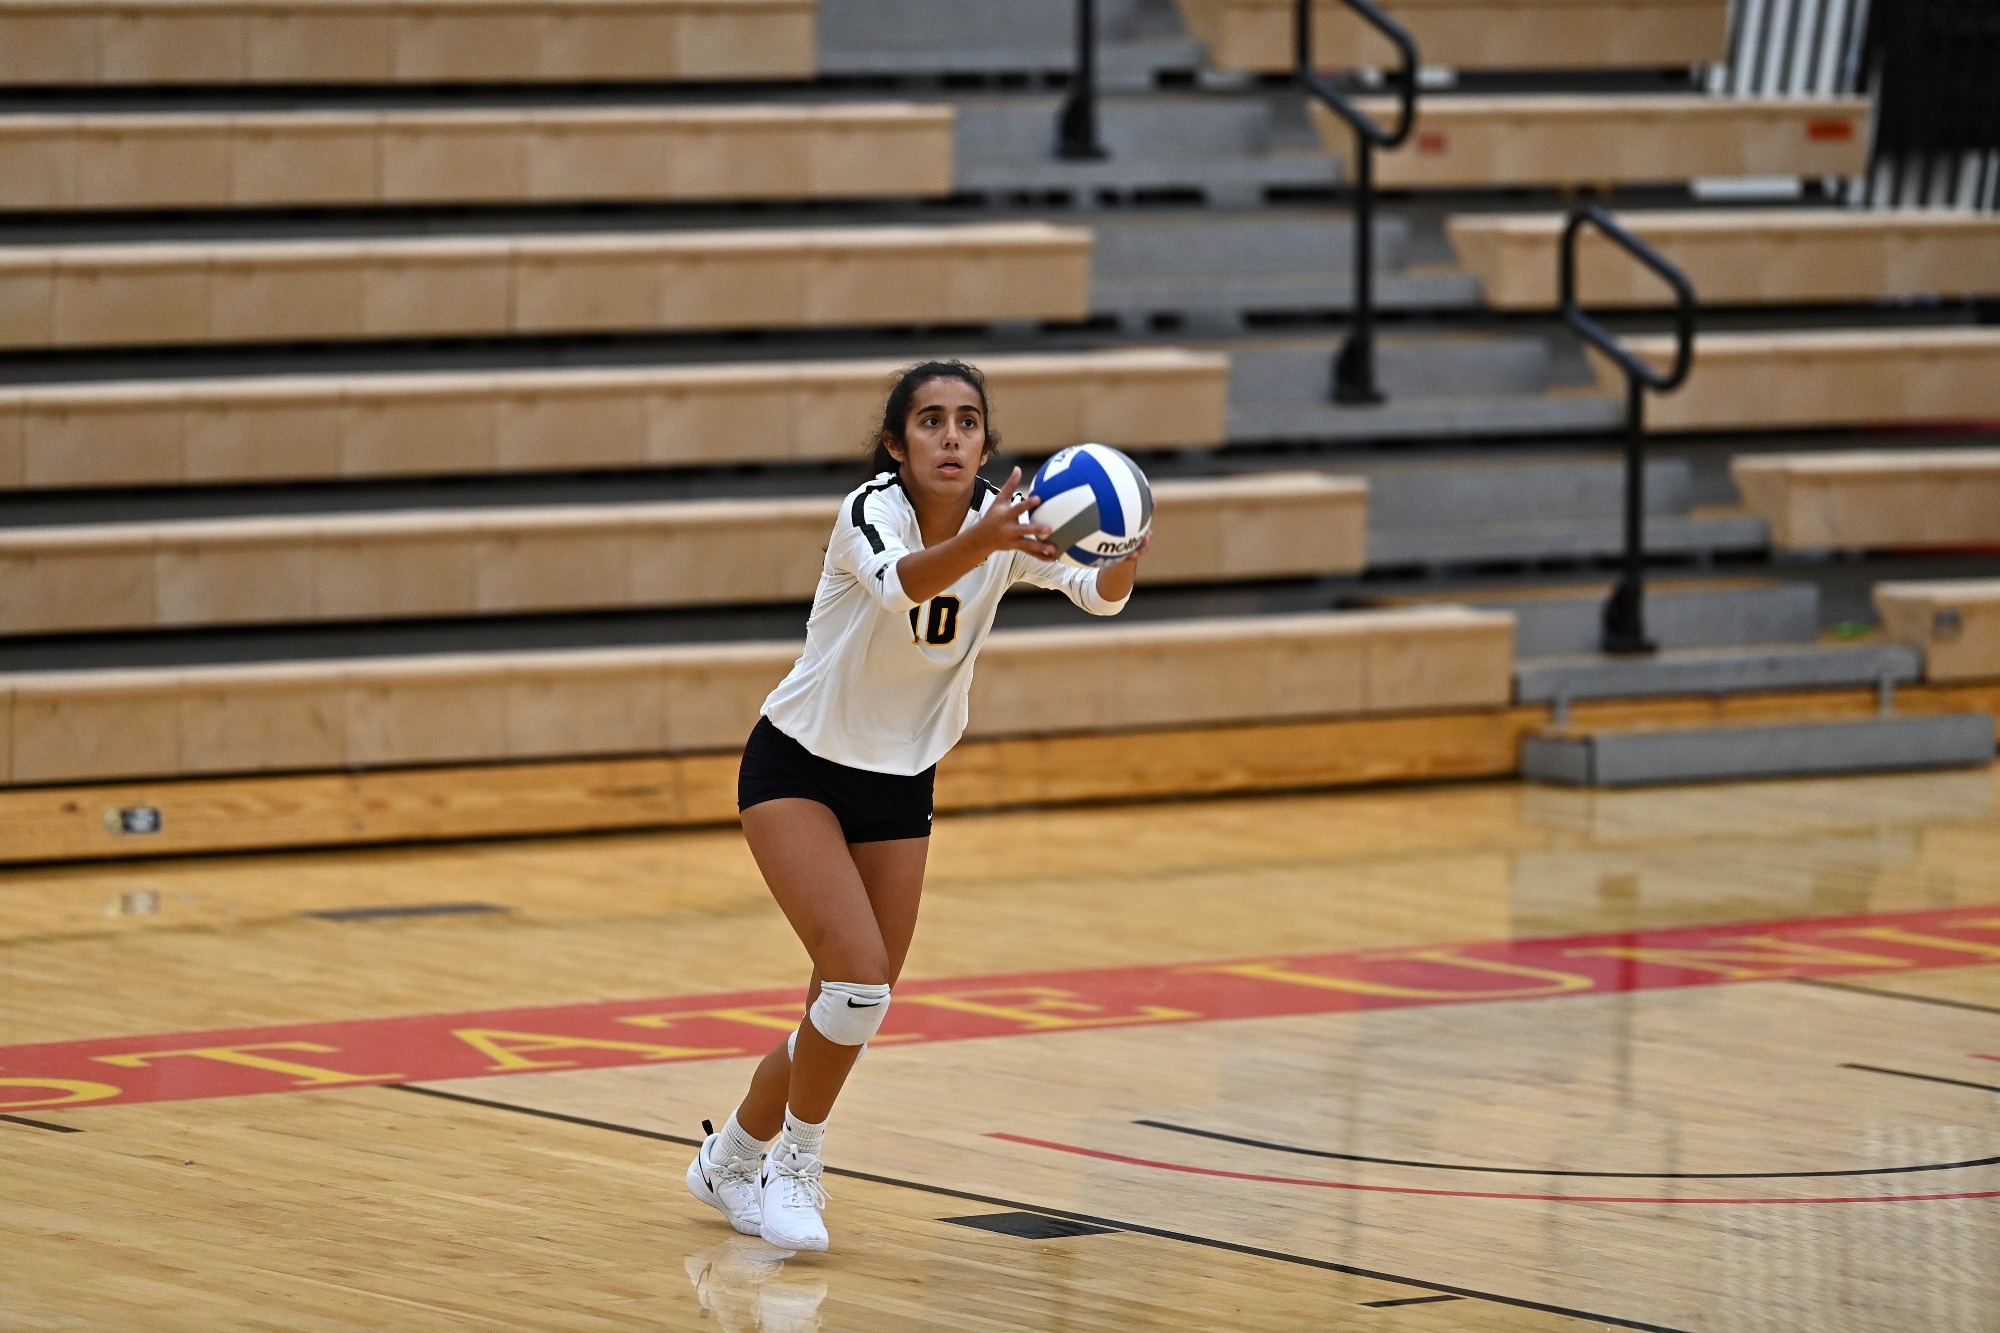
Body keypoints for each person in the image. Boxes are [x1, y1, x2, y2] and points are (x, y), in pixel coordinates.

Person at [685, 360, 1146, 1253]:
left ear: (985, 442)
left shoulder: (1006, 522)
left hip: (901, 782)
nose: (951, 435)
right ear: (897, 445)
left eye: (968, 421)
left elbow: (1097, 596)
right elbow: (904, 584)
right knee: (858, 981)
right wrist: (994, 537)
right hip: (798, 767)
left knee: (846, 1007)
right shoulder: (872, 512)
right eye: (931, 420)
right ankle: (796, 1166)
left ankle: (731, 1157)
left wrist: (1119, 552)